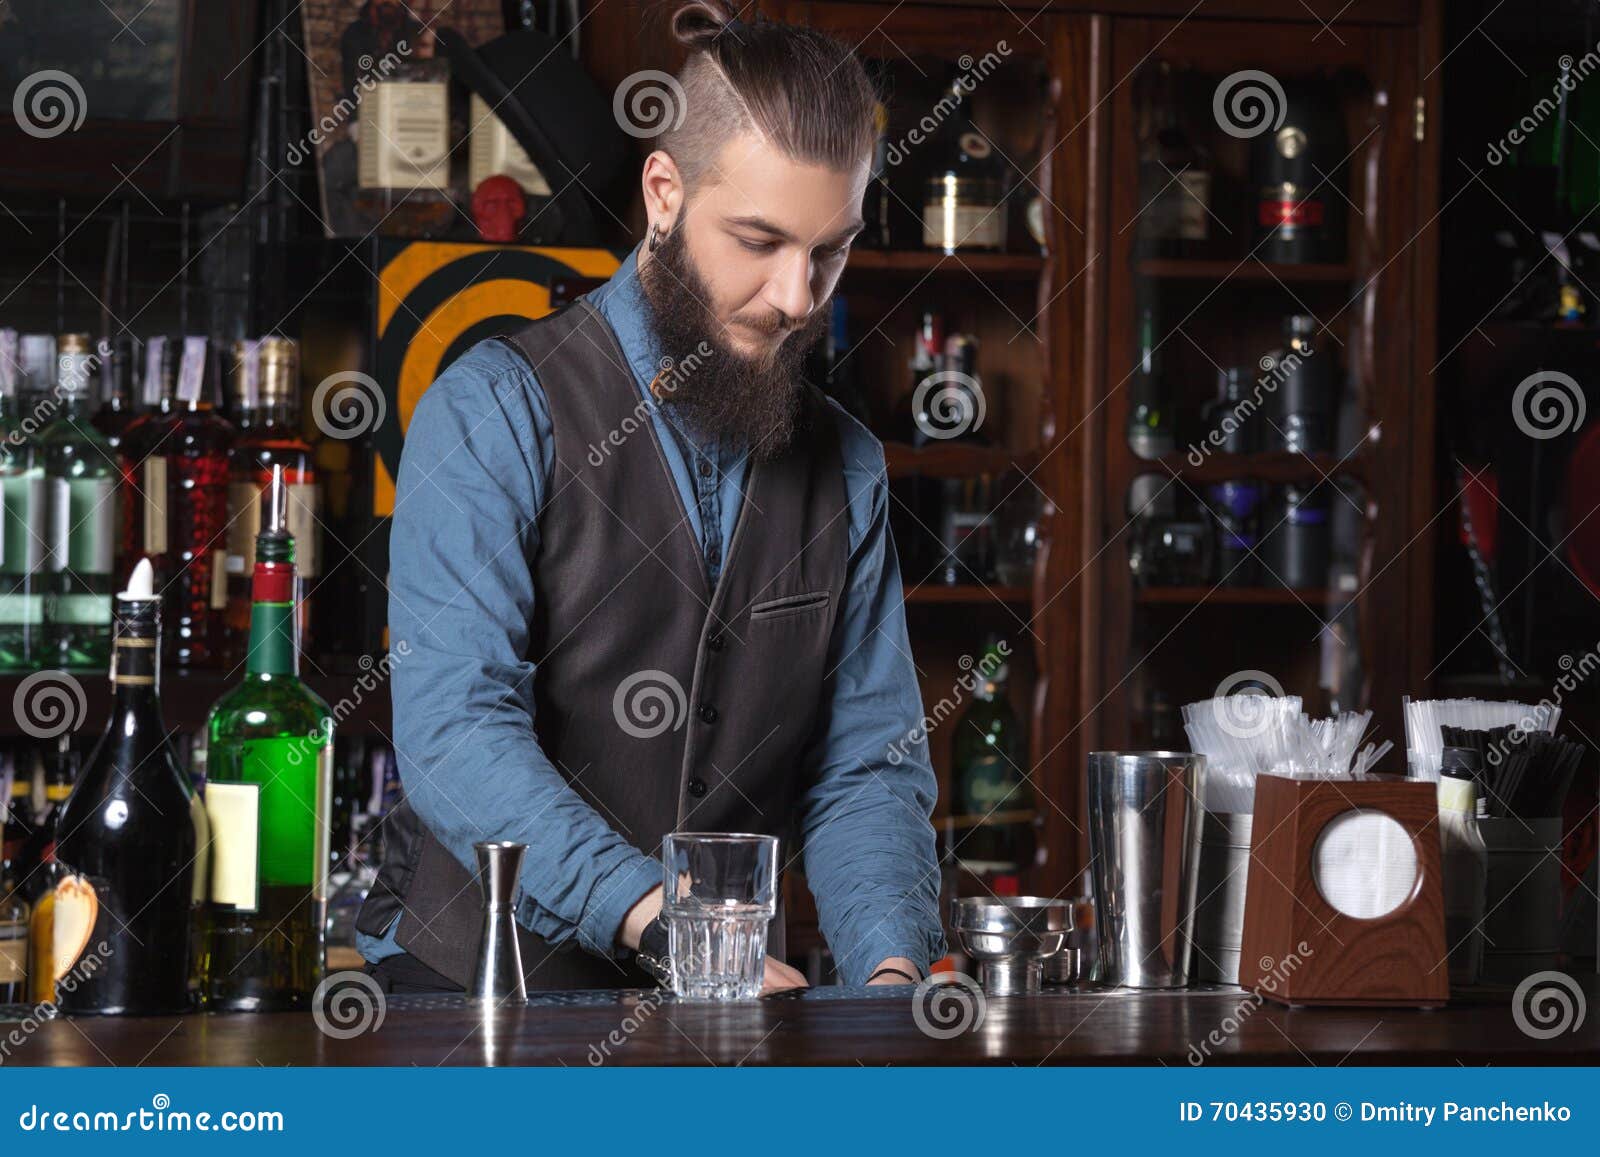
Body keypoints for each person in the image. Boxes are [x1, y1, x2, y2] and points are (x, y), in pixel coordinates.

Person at [356, 0, 943, 994]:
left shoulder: (844, 463)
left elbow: (864, 767)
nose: (799, 295)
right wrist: (666, 924)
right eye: (758, 240)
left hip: (726, 1008)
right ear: (664, 192)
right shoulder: (494, 409)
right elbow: (457, 724)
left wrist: (889, 972)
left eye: (829, 250)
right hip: (479, 990)